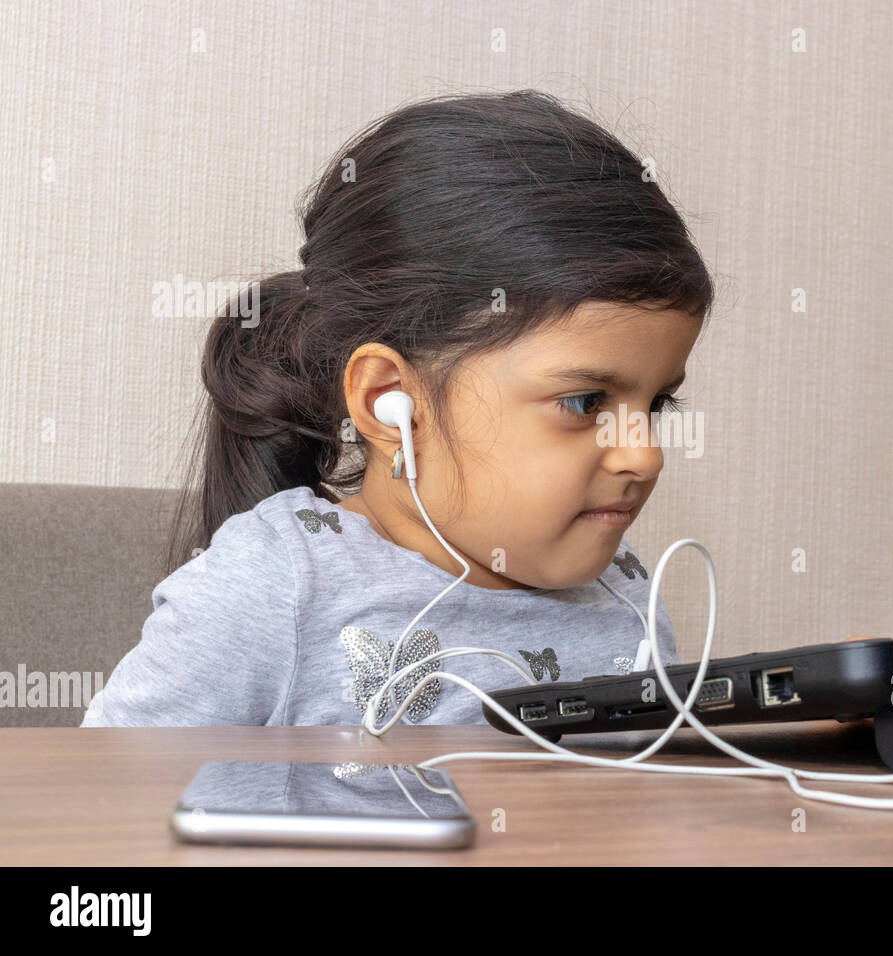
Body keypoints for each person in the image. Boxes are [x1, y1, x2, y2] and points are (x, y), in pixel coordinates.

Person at [82, 89, 714, 727]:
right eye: (585, 401)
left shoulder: (627, 592)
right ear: (391, 405)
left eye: (656, 402)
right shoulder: (274, 588)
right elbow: (94, 807)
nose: (645, 454)